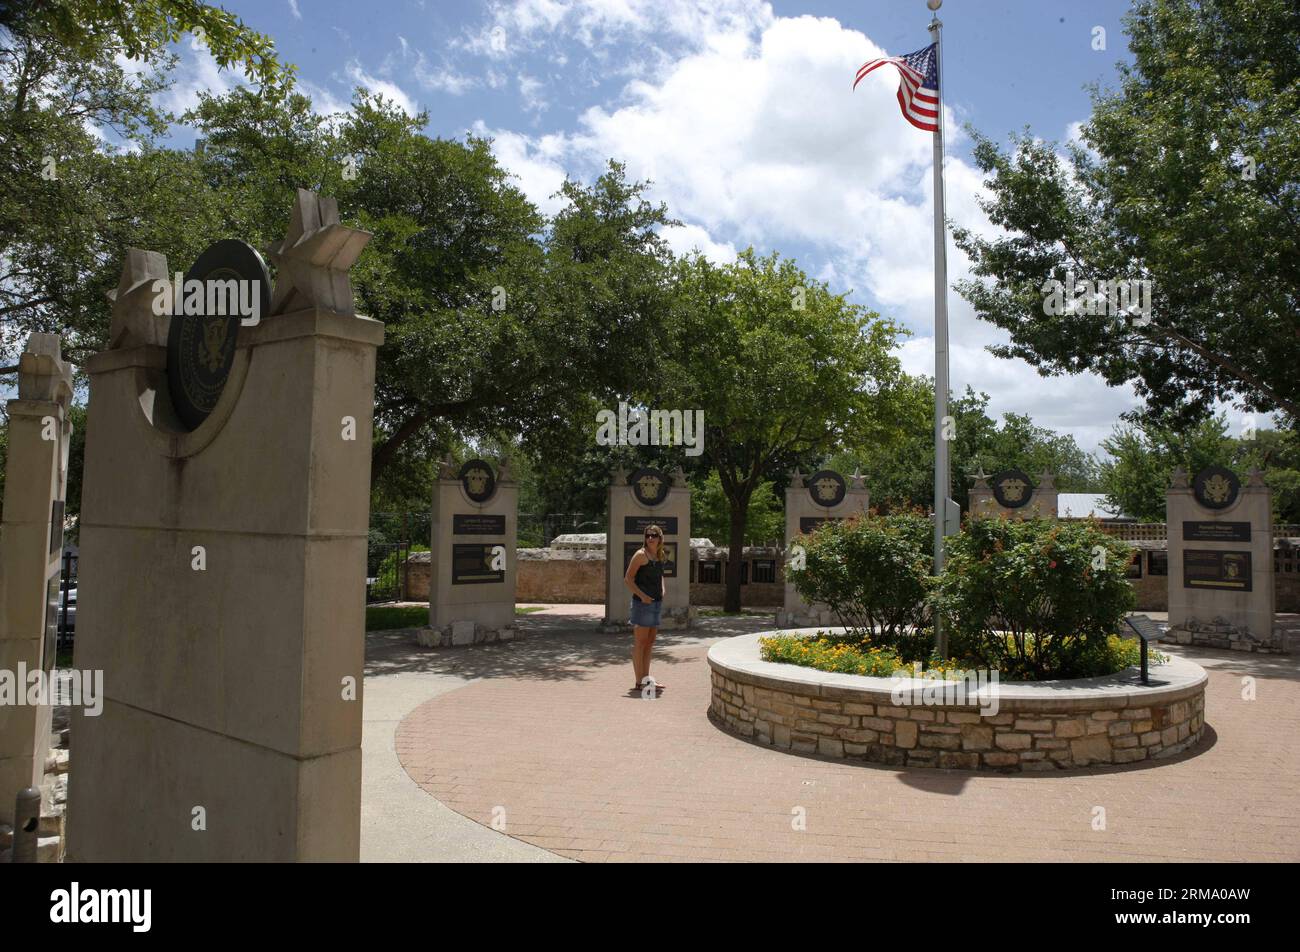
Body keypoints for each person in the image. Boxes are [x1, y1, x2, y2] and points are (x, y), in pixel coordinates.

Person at [624, 524, 667, 693]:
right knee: (640, 643)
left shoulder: (659, 555)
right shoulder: (640, 555)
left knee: (649, 643)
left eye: (654, 535)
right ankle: (639, 682)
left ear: (659, 538)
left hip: (656, 603)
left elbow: (660, 575)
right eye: (648, 535)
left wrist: (663, 588)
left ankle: (646, 679)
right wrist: (642, 596)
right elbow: (628, 579)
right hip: (643, 605)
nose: (650, 538)